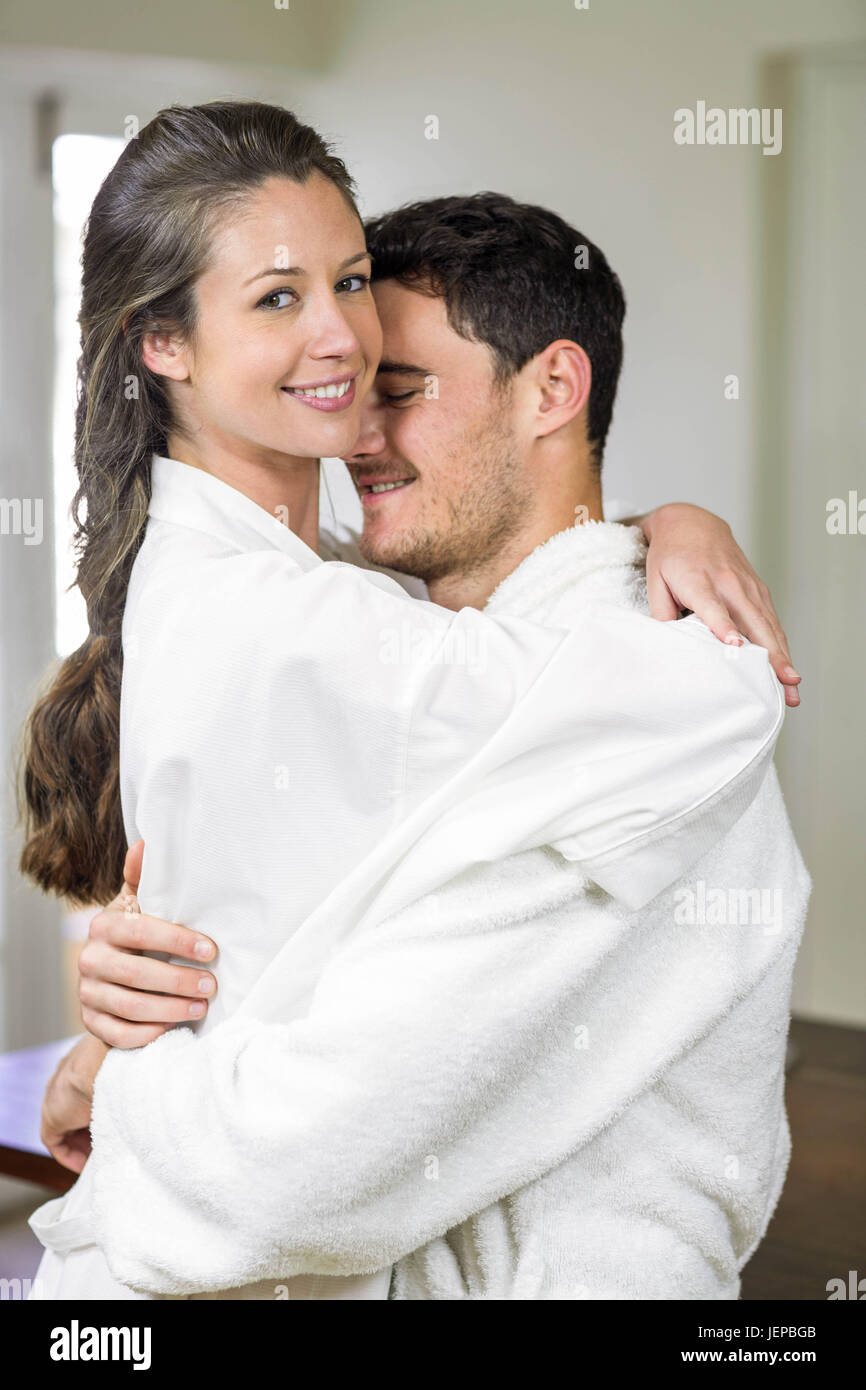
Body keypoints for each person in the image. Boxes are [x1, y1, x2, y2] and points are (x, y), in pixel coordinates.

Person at [22, 106, 799, 1301]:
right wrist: (136, 1026)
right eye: (280, 300)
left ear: (553, 389)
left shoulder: (598, 712)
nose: (356, 422)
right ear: (162, 344)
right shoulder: (367, 639)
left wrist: (129, 1082)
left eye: (399, 380)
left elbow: (297, 1162)